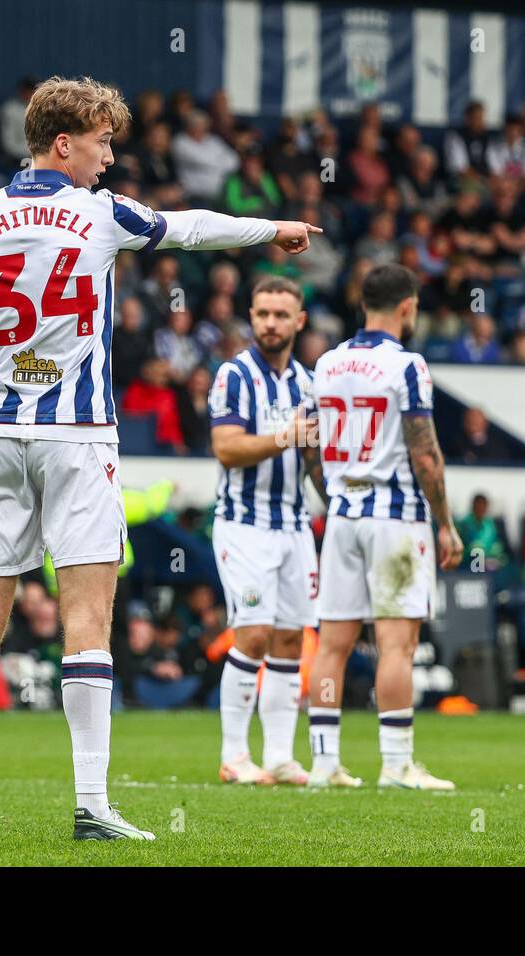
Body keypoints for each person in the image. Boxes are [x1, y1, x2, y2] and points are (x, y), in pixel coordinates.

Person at [0, 75, 321, 842]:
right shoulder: (99, 215)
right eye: (101, 143)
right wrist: (271, 229)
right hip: (81, 437)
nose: (107, 159)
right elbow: (190, 229)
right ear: (63, 143)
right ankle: (91, 806)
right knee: (87, 616)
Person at [308, 264, 463, 791]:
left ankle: (324, 764)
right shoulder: (407, 364)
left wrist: (330, 495)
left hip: (342, 519)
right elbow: (425, 453)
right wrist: (445, 523)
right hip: (395, 521)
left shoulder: (326, 363)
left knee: (332, 645)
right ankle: (396, 765)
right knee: (396, 645)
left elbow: (309, 443)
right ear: (407, 306)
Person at [209, 276, 326, 786]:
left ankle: (279, 754)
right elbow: (227, 448)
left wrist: (339, 499)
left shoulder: (307, 382)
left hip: (295, 526)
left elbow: (313, 457)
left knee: (289, 640)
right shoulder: (233, 376)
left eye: (281, 315)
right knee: (253, 634)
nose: (271, 323)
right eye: (262, 314)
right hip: (244, 526)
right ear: (251, 317)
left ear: (299, 321)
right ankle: (235, 755)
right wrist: (286, 436)